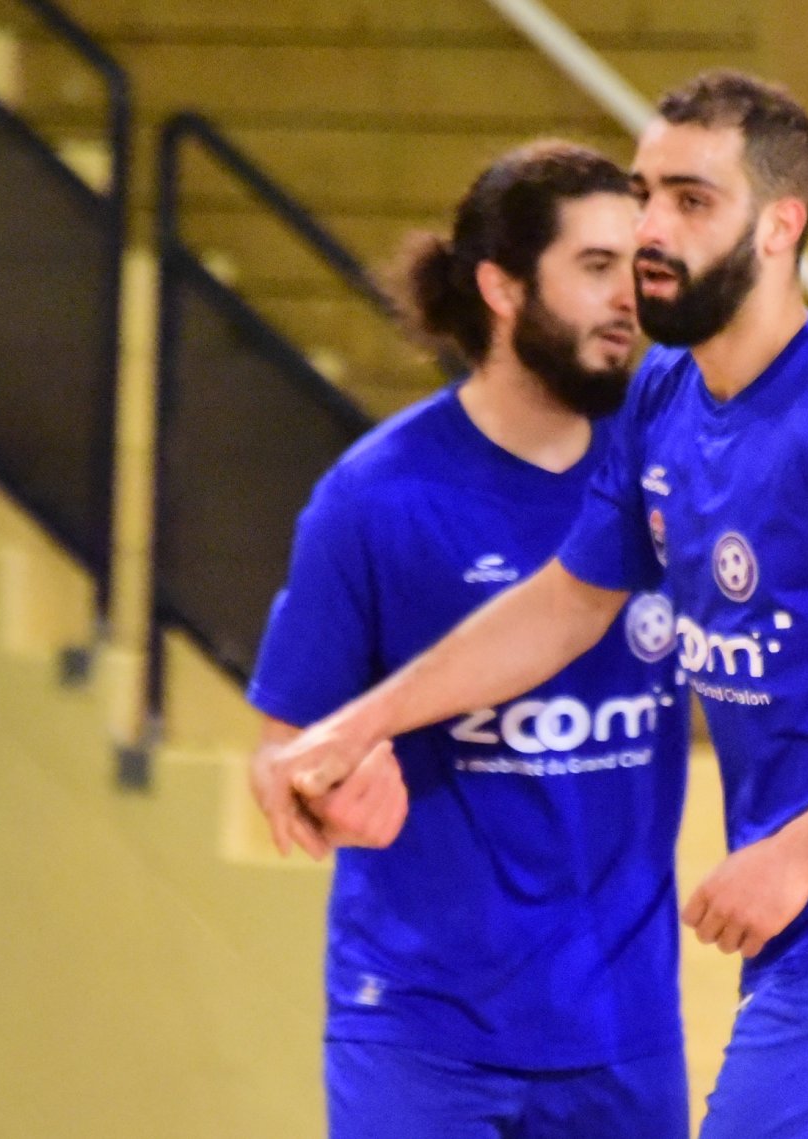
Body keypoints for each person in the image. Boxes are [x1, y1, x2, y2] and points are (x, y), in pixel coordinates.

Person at [265, 71, 808, 1139]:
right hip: (807, 945)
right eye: (645, 195)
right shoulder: (665, 399)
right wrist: (358, 722)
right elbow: (566, 603)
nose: (652, 229)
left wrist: (795, 852)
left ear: (780, 225)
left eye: (692, 200)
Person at [247, 140, 691, 1139]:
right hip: (420, 1029)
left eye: (639, 268)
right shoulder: (372, 499)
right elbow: (285, 748)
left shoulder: (671, 475)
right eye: (593, 268)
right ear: (500, 286)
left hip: (624, 1026)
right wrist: (332, 799)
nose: (629, 299)